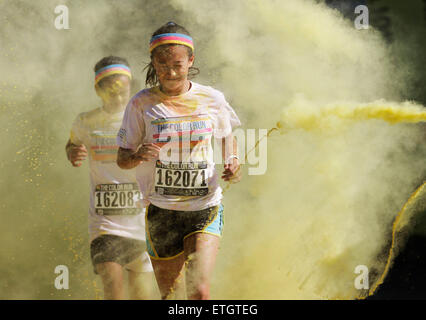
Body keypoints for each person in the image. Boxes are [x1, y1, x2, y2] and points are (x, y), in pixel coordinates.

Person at [116, 22, 242, 300]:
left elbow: (226, 137)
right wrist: (137, 155)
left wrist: (232, 161)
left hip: (204, 207)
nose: (170, 72)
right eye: (162, 65)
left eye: (177, 64)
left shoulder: (212, 99)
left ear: (191, 61)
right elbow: (122, 158)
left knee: (199, 292)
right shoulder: (141, 103)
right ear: (152, 62)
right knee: (170, 297)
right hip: (162, 212)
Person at [65, 56, 157, 300]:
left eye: (123, 92)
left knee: (141, 297)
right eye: (110, 93)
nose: (117, 99)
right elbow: (71, 144)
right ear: (98, 90)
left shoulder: (143, 119)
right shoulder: (86, 122)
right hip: (104, 226)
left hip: (141, 224)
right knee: (113, 292)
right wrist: (73, 152)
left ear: (131, 88)